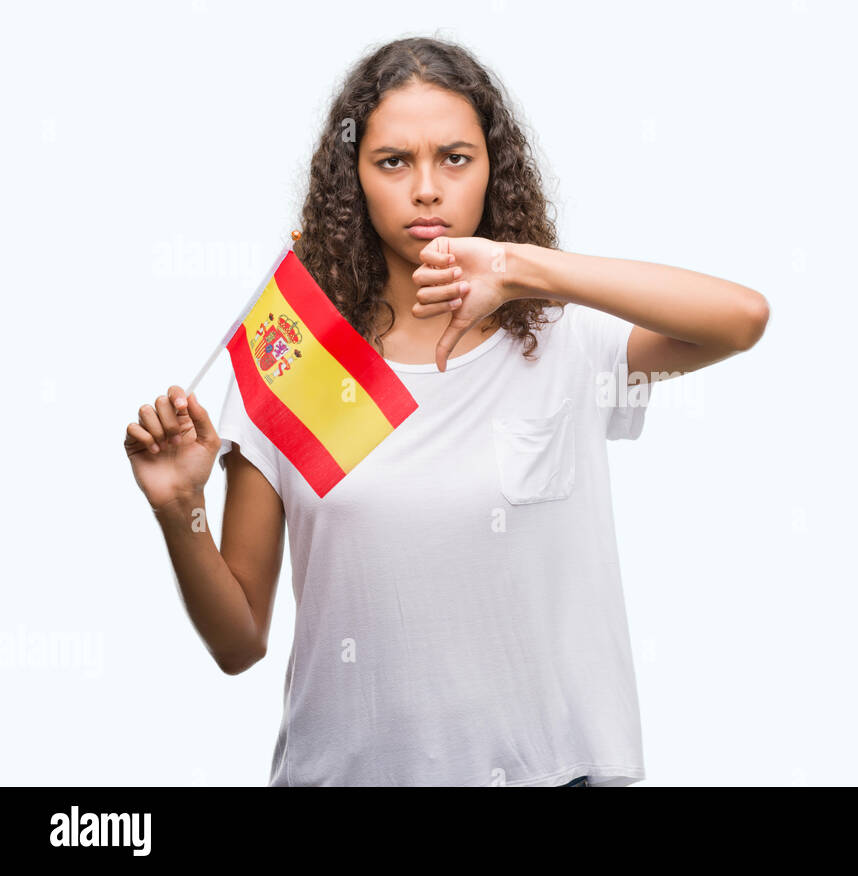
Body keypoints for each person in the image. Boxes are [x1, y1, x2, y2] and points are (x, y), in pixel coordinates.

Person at [123, 35, 768, 787]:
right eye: (393, 161)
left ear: (494, 168)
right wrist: (179, 510)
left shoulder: (564, 342)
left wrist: (517, 266)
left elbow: (741, 318)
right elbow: (239, 644)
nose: (426, 189)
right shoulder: (296, 364)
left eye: (455, 158)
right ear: (353, 178)